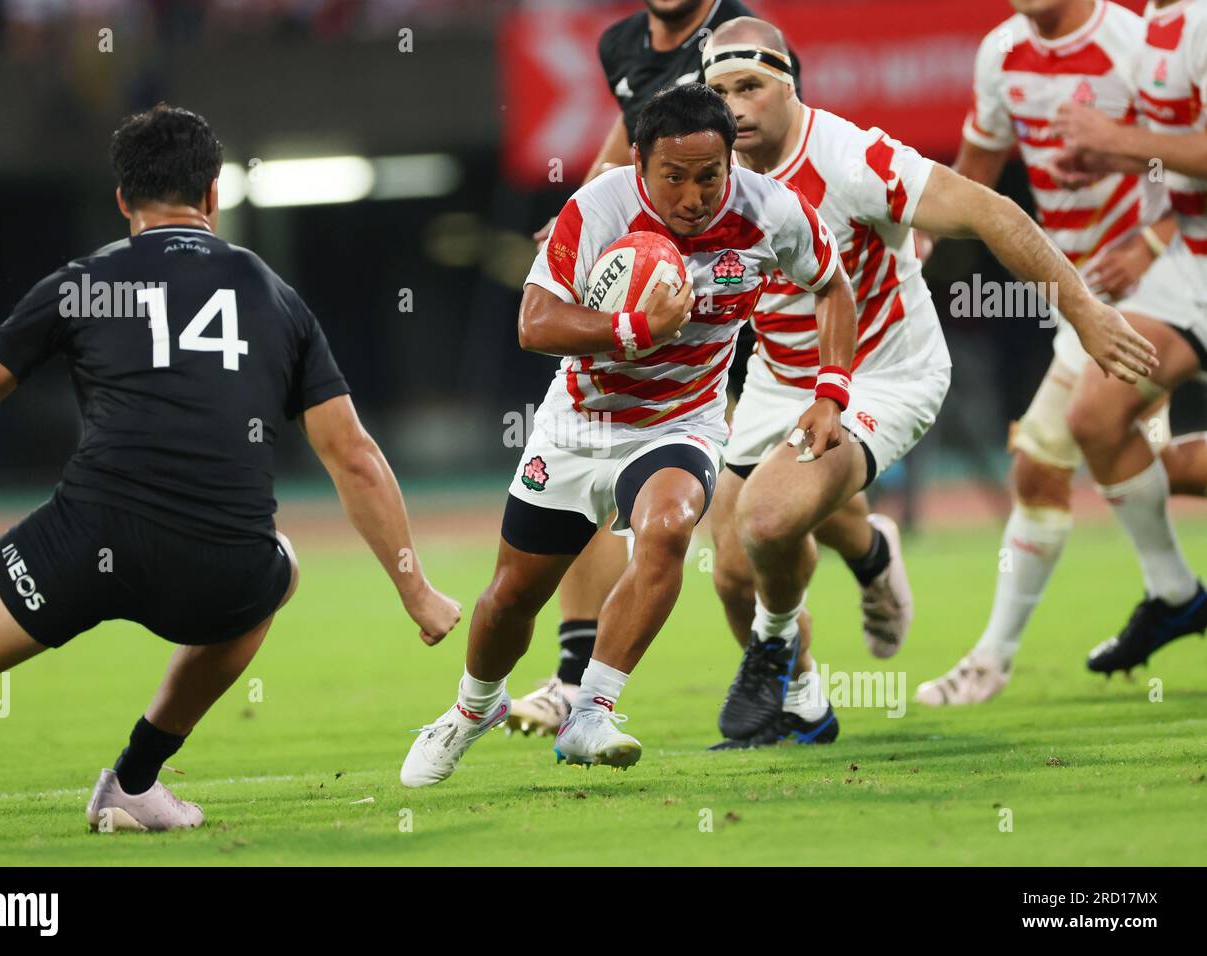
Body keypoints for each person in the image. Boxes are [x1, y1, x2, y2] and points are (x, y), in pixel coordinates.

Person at [0, 104, 460, 831]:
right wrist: (415, 592)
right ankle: (135, 780)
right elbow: (354, 457)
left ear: (121, 202)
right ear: (212, 196)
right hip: (221, 569)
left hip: (81, 545)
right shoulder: (273, 294)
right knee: (279, 568)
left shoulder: (84, 282)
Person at [700, 16, 1158, 743]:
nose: (735, 108)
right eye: (719, 92)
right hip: (779, 378)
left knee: (766, 520)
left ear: (788, 86)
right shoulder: (709, 172)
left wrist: (1083, 309)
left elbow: (991, 209)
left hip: (884, 373)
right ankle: (809, 697)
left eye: (750, 86)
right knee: (728, 573)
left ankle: (773, 647)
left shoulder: (854, 158)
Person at [401, 83, 855, 787]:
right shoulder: (599, 207)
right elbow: (534, 324)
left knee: (669, 528)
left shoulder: (769, 212)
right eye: (674, 176)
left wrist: (831, 391)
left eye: (710, 176)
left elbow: (831, 282)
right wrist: (632, 329)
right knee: (513, 596)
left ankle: (591, 712)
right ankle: (471, 709)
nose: (694, 196)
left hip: (683, 421)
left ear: (732, 163)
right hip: (579, 422)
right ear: (639, 162)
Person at [511, 0, 804, 737]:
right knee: (618, 491)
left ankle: (860, 570)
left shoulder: (738, 29)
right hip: (656, 299)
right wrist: (588, 201)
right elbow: (626, 135)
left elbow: (776, 124)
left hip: (743, 296)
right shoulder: (621, 45)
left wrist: (752, 212)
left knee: (772, 512)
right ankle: (576, 678)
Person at [915, 0, 1200, 705]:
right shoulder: (1001, 54)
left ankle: (1167, 594)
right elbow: (977, 168)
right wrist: (916, 237)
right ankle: (1001, 657)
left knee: (1083, 433)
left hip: (1159, 274)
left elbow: (1174, 158)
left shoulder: (1136, 43)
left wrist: (1151, 236)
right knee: (1053, 461)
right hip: (1084, 296)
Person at [1053, 0, 1207, 673]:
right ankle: (1174, 592)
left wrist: (1117, 142)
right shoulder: (1155, 22)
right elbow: (1173, 156)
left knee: (1167, 457)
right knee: (1096, 414)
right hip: (1192, 262)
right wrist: (1112, 161)